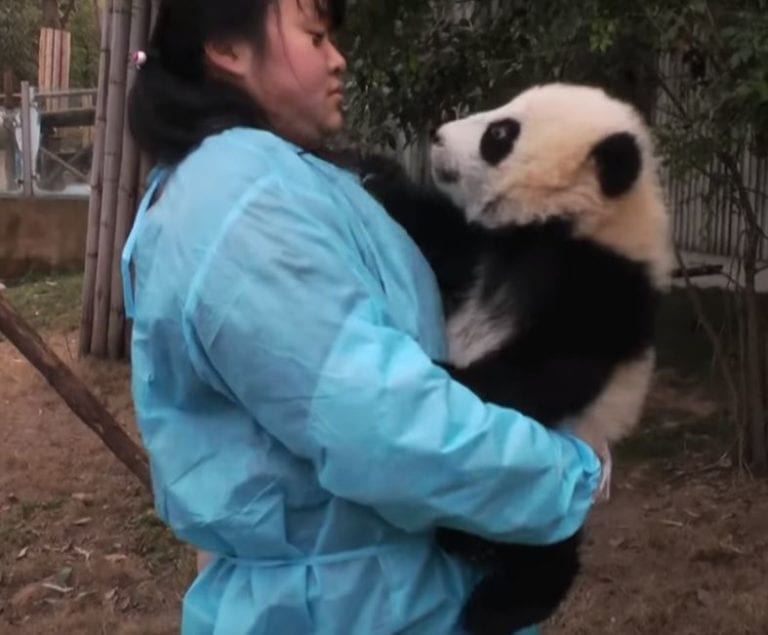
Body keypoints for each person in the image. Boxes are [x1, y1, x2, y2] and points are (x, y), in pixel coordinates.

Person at [122, 0, 603, 633]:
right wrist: (568, 471)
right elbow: (381, 425)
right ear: (228, 51)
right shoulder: (238, 201)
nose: (337, 58)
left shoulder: (260, 182)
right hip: (354, 609)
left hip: (371, 593)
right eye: (315, 36)